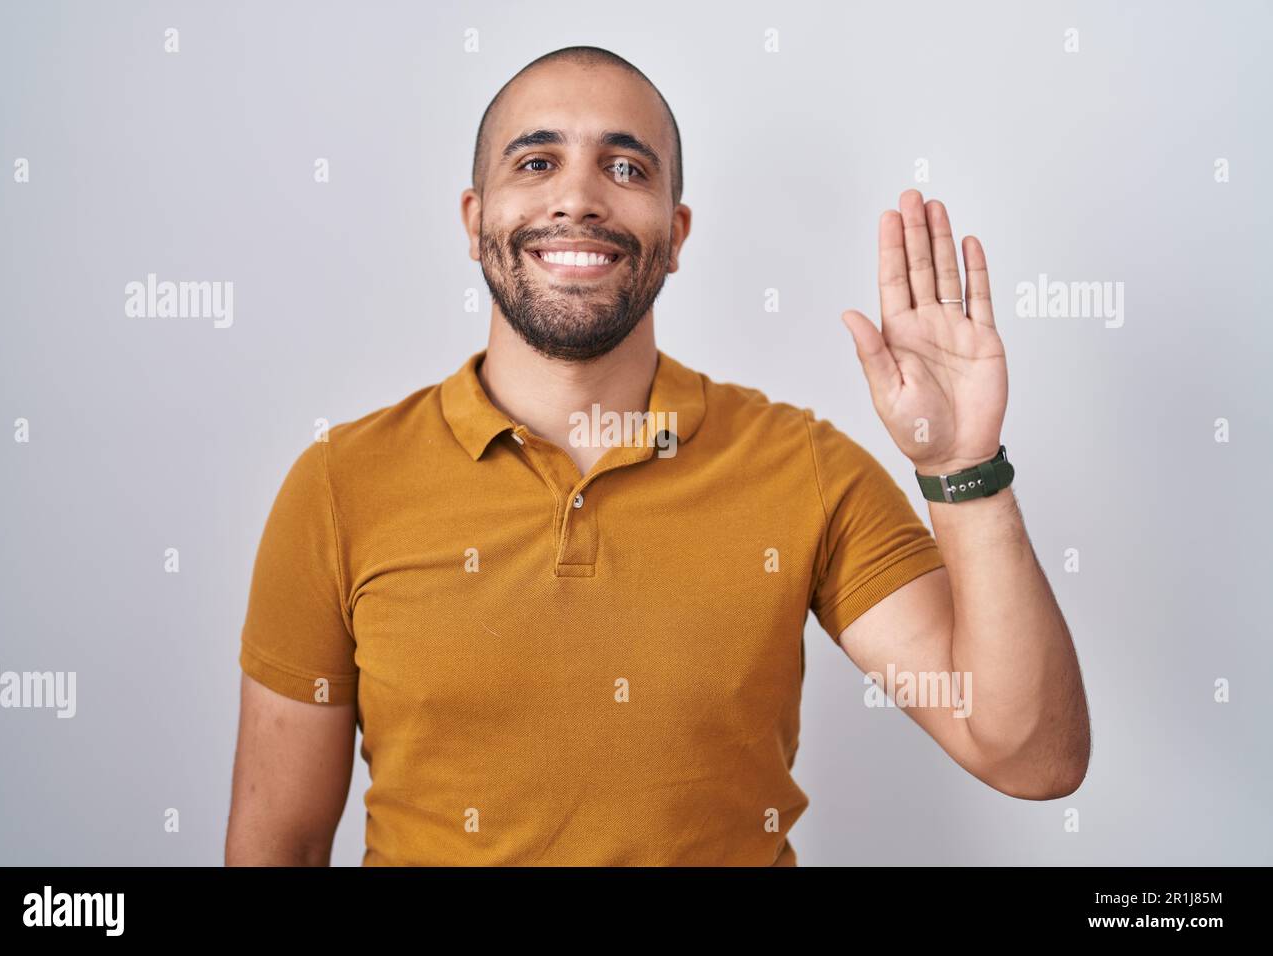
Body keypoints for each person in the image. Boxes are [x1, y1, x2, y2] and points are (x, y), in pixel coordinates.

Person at [225, 45, 1089, 866]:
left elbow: (1029, 756)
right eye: (535, 163)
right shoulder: (340, 484)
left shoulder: (805, 469)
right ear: (474, 217)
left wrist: (965, 466)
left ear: (675, 235)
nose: (578, 199)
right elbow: (280, 848)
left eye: (626, 167)